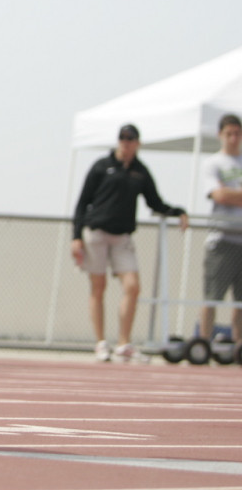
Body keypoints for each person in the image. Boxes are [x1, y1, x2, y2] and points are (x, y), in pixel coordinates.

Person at [72, 123, 189, 362]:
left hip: (122, 236)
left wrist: (179, 211)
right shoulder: (101, 166)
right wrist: (76, 237)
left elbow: (155, 202)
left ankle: (124, 343)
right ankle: (101, 343)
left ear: (138, 143)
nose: (126, 142)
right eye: (122, 138)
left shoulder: (140, 171)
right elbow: (82, 202)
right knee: (98, 286)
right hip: (96, 233)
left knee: (133, 286)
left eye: (131, 138)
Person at [199, 114, 242, 344]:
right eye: (229, 134)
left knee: (241, 302)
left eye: (237, 133)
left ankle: (239, 345)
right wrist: (228, 194)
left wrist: (231, 194)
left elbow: (228, 194)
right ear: (220, 135)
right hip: (221, 241)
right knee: (211, 297)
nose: (234, 138)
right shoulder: (213, 163)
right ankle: (204, 342)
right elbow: (220, 195)